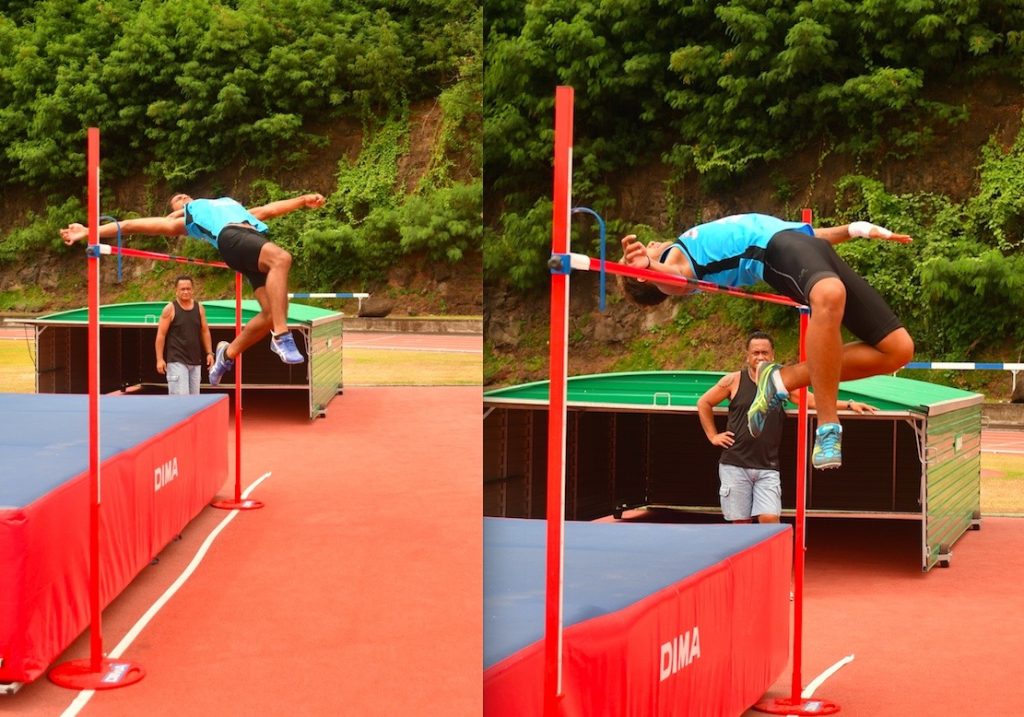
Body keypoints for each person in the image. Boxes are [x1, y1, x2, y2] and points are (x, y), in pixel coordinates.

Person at [620, 213, 914, 469]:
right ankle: (827, 426)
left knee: (898, 349)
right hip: (777, 253)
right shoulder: (677, 259)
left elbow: (805, 235)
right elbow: (676, 279)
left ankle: (780, 379)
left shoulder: (688, 242)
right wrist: (649, 268)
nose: (646, 246)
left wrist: (856, 230)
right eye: (633, 258)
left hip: (807, 246)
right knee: (828, 295)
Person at [61, 192, 326, 385]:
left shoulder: (227, 205)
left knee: (270, 311)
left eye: (184, 195)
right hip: (232, 240)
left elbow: (268, 210)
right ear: (175, 211)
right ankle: (281, 336)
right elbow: (131, 225)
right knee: (282, 258)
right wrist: (88, 231)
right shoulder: (184, 220)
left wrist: (302, 201)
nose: (183, 197)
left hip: (251, 240)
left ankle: (228, 353)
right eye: (177, 199)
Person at [697, 331, 876, 523]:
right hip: (735, 464)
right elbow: (704, 403)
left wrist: (849, 404)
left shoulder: (781, 382)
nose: (760, 357)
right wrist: (713, 436)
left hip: (767, 466)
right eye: (755, 353)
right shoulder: (733, 381)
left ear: (772, 355)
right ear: (747, 356)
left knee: (769, 520)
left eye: (764, 353)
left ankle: (770, 554)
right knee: (741, 525)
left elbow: (812, 401)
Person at [155, 275, 213, 395]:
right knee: (181, 400)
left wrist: (209, 353)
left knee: (194, 401)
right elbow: (161, 335)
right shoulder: (170, 309)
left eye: (188, 288)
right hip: (177, 361)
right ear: (176, 290)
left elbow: (205, 331)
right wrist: (159, 359)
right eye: (182, 289)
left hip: (195, 362)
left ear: (192, 290)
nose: (186, 291)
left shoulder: (199, 308)